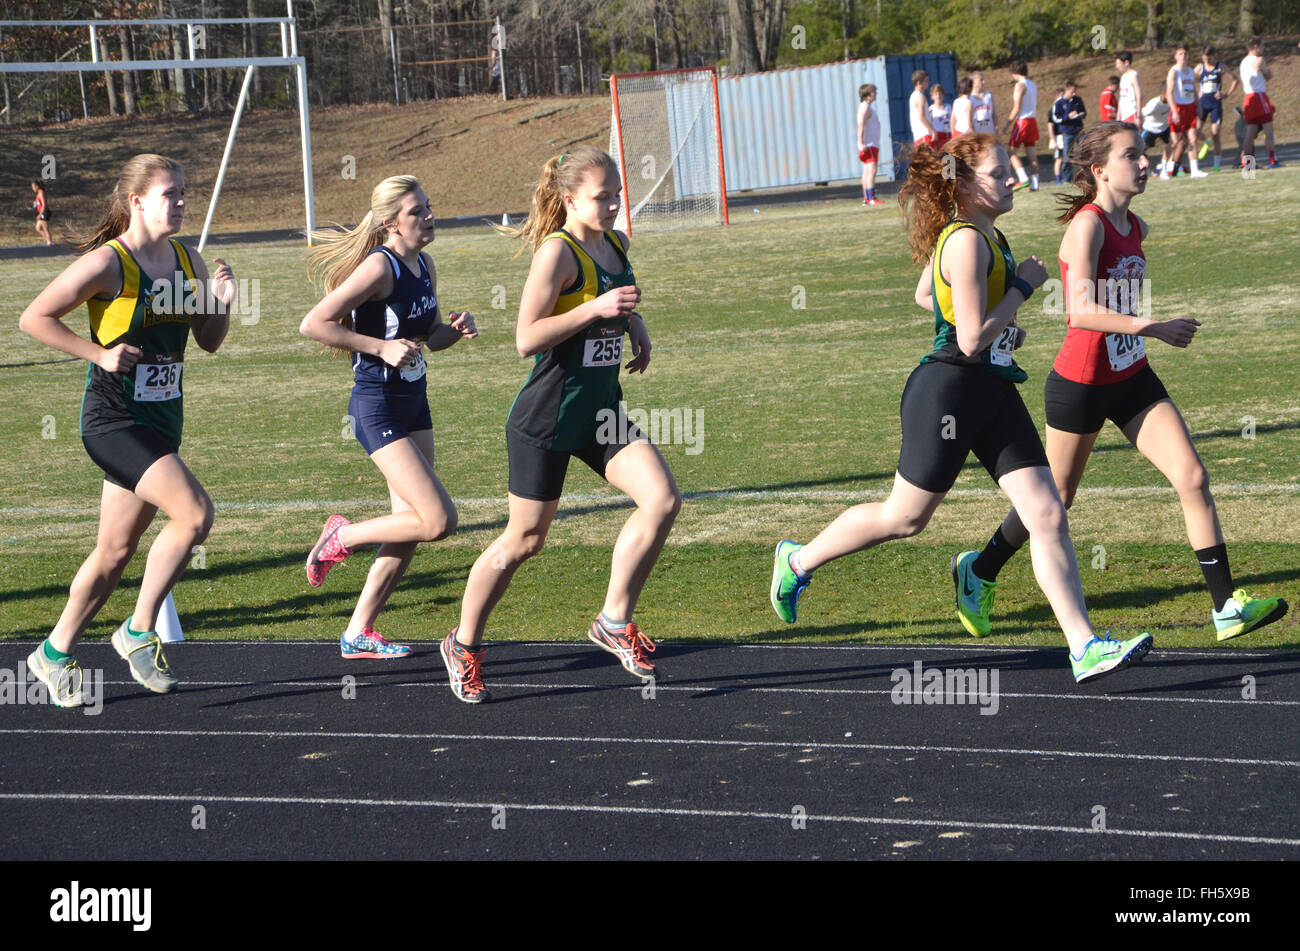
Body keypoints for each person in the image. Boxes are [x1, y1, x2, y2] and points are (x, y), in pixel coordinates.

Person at [770, 133, 1152, 684]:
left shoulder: (986, 236)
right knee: (905, 518)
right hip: (948, 390)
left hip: (991, 389)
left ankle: (1084, 645)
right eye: (999, 174)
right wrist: (1019, 290)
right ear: (967, 185)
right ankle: (798, 560)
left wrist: (1000, 327)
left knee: (1046, 510)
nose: (1012, 179)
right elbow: (968, 340)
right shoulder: (968, 241)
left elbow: (928, 294)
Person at [950, 122, 1288, 644]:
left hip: (1131, 376)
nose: (1146, 162)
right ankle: (981, 568)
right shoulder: (1087, 227)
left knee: (1192, 477)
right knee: (1056, 500)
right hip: (1080, 382)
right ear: (1101, 170)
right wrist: (1150, 326)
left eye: (1145, 154)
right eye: (1133, 156)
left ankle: (1225, 607)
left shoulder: (1134, 224)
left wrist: (1139, 332)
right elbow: (1080, 311)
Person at [443, 145, 681, 703]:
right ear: (570, 198)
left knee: (663, 499)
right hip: (547, 418)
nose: (615, 205)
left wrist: (635, 322)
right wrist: (596, 311)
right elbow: (527, 338)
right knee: (525, 540)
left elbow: (613, 298)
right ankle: (463, 643)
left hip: (600, 412)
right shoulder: (557, 252)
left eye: (618, 194)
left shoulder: (616, 242)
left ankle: (614, 620)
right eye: (602, 197)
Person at [17, 154, 235, 707]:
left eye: (185, 193)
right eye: (171, 194)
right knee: (195, 514)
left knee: (115, 551)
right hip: (113, 421)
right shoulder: (110, 263)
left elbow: (208, 341)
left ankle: (53, 652)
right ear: (136, 201)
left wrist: (221, 305)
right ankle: (138, 631)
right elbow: (34, 317)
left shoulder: (189, 260)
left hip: (162, 422)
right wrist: (99, 353)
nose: (182, 202)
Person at [300, 175, 477, 659]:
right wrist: (378, 346)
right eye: (417, 211)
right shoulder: (380, 268)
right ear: (390, 223)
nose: (429, 216)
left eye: (429, 206)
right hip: (376, 405)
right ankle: (342, 536)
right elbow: (314, 324)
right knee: (437, 520)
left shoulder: (425, 265)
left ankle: (358, 631)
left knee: (411, 525)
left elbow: (431, 337)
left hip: (414, 401)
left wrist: (455, 329)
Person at [1164, 44, 1207, 179]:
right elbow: (1168, 93)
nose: (1183, 56)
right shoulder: (1174, 71)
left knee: (1192, 138)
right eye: (1180, 54)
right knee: (1175, 142)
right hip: (1178, 107)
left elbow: (1194, 90)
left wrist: (1198, 106)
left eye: (1185, 54)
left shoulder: (1190, 71)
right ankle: (1164, 169)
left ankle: (1195, 170)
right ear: (1176, 56)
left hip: (1190, 107)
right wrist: (1174, 111)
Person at [1195, 46, 1237, 170]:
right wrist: (1197, 92)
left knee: (1216, 134)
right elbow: (1188, 79)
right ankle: (1206, 142)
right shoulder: (1199, 68)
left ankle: (1216, 166)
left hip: (1215, 103)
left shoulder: (1220, 67)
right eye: (1204, 57)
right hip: (1202, 102)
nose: (1206, 60)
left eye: (1209, 58)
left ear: (1214, 56)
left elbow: (1235, 79)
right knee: (1195, 131)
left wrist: (1226, 94)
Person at [1240, 38, 1279, 169]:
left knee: (1250, 132)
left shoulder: (1243, 61)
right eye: (1262, 46)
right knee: (1268, 130)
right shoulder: (1258, 60)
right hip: (1258, 96)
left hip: (1248, 97)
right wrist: (1266, 70)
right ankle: (1272, 160)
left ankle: (1247, 162)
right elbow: (1267, 74)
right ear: (1256, 47)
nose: (1263, 49)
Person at [1003, 62, 1040, 191]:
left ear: (1015, 72)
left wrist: (1008, 123)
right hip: (1032, 120)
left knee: (1011, 152)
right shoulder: (1032, 84)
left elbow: (1017, 107)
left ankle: (1023, 178)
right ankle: (1035, 184)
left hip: (1023, 121)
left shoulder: (1020, 85)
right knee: (1031, 152)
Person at [1053, 81, 1086, 183]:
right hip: (1067, 132)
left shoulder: (1078, 100)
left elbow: (1084, 112)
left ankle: (1086, 176)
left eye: (1075, 91)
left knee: (1086, 151)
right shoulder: (1059, 103)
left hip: (1079, 130)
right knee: (1067, 155)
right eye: (1072, 91)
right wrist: (1068, 116)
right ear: (1067, 90)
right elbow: (1056, 118)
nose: (1074, 94)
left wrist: (1080, 114)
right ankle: (1067, 179)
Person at [857, 83, 884, 206]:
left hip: (871, 143)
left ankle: (866, 198)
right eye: (874, 92)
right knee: (871, 170)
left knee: (867, 170)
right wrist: (861, 142)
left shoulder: (866, 107)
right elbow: (861, 125)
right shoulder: (865, 107)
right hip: (870, 143)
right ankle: (871, 197)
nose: (876, 94)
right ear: (868, 94)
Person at [1141, 90, 1174, 175]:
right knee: (1141, 150)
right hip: (1151, 129)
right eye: (1169, 93)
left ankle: (1168, 166)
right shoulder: (1154, 104)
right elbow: (1142, 113)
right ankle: (1146, 171)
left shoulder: (1172, 101)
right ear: (1163, 93)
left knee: (1174, 143)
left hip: (1164, 127)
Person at [909, 70, 936, 146]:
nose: (928, 83)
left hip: (918, 136)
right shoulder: (920, 97)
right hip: (924, 134)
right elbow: (921, 117)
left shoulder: (913, 95)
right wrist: (932, 131)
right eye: (926, 81)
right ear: (919, 83)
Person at [1116, 52, 1142, 127]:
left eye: (1118, 63)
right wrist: (1118, 116)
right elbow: (1122, 98)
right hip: (1124, 116)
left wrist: (1138, 116)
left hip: (1132, 113)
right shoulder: (1123, 77)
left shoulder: (1134, 75)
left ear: (1126, 62)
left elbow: (1139, 96)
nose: (1117, 66)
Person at [970, 71, 997, 135]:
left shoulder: (989, 95)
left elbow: (994, 115)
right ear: (973, 81)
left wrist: (996, 129)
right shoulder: (969, 98)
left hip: (990, 133)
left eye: (984, 80)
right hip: (977, 134)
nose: (983, 82)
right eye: (981, 80)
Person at [1049, 86, 1067, 184]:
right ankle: (1058, 180)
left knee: (1065, 157)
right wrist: (1053, 139)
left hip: (1064, 135)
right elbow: (1050, 125)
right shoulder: (1053, 109)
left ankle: (1064, 178)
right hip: (1058, 137)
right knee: (1059, 158)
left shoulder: (1064, 107)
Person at [928, 83, 952, 148]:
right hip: (938, 136)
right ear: (932, 96)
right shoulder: (931, 109)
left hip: (949, 135)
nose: (938, 96)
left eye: (940, 93)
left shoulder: (948, 107)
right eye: (936, 94)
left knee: (950, 157)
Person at [31, 181, 53, 246]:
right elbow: (38, 203)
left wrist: (40, 214)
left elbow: (44, 205)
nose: (33, 188)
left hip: (44, 212)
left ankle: (50, 242)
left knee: (45, 228)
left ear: (37, 186)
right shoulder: (38, 193)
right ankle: (48, 240)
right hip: (41, 212)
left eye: (33, 187)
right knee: (38, 228)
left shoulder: (42, 193)